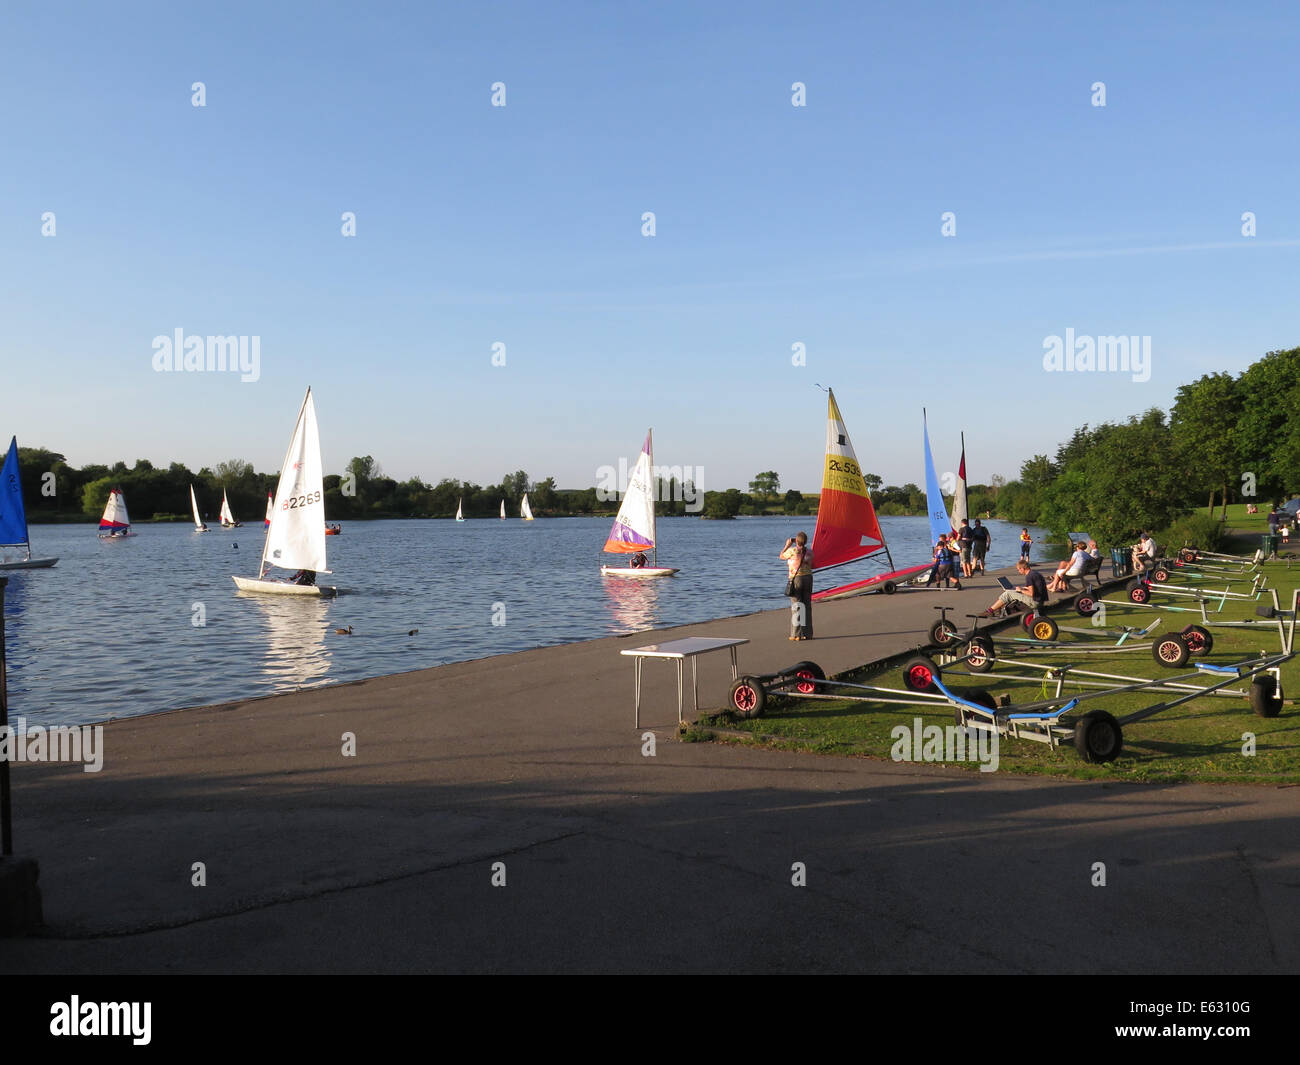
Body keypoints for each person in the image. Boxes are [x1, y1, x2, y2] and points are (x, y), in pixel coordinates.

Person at [980, 559, 1048, 616]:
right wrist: (1023, 588)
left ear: (1022, 568)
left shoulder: (1029, 576)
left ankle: (990, 611)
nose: (1019, 571)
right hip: (1040, 600)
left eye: (1018, 570)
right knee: (1011, 592)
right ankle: (998, 609)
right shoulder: (1035, 573)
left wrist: (1021, 590)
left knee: (1008, 593)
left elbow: (1031, 594)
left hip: (1035, 602)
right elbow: (1037, 589)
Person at [780, 532, 814, 640]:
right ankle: (807, 633)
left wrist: (787, 545)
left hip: (796, 579)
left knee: (797, 606)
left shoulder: (792, 551)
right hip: (808, 578)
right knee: (807, 605)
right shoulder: (809, 551)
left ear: (797, 541)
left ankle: (796, 634)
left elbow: (781, 556)